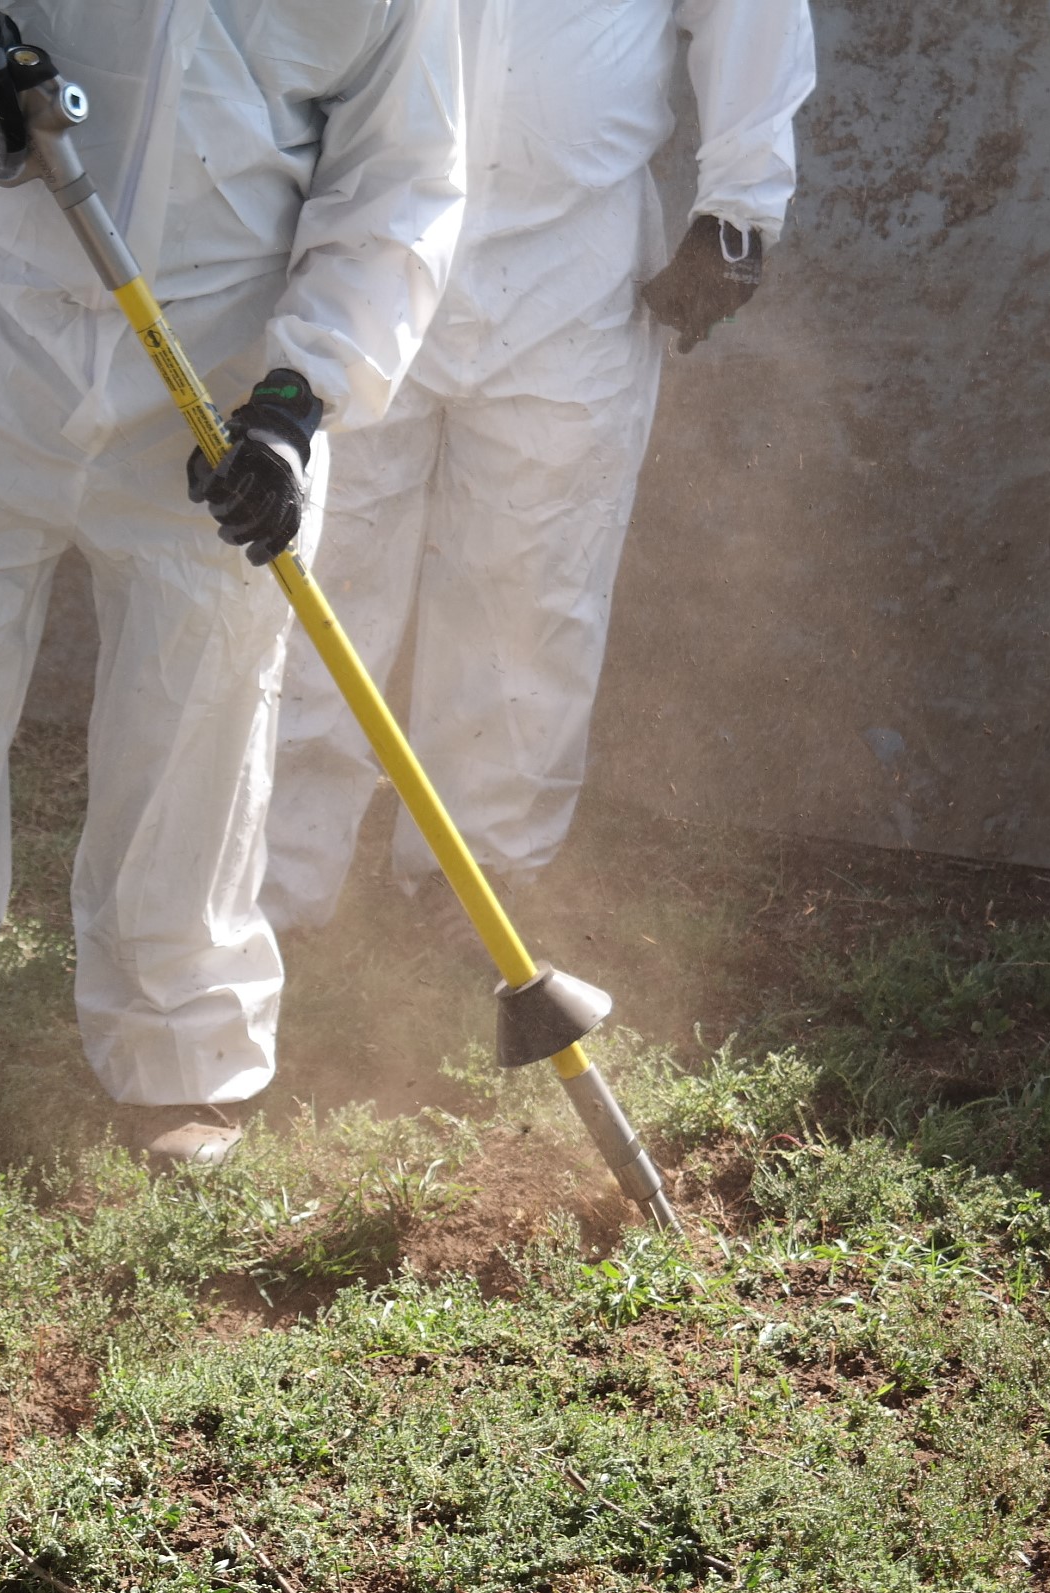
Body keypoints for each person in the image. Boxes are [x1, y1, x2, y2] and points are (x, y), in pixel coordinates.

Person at [0, 0, 474, 1184]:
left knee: (198, 721)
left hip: (215, 374)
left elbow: (398, 186)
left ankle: (179, 1071)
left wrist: (296, 401)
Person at [262, 0, 816, 935]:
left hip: (574, 257)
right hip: (370, 233)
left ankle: (472, 885)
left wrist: (738, 209)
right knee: (322, 561)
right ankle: (266, 886)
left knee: (533, 585)